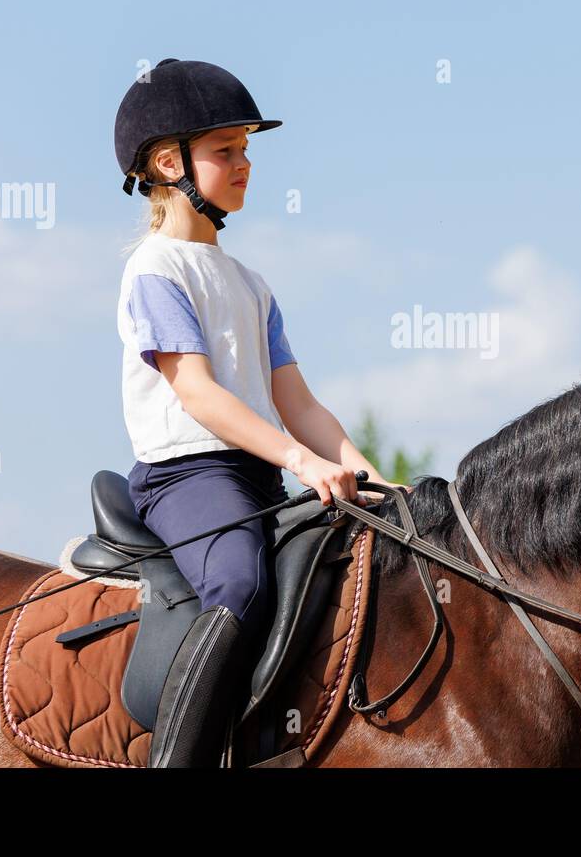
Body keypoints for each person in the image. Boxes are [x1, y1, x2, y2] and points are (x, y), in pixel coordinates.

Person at [113, 58, 393, 767]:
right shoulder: (154, 269)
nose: (244, 165)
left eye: (246, 151)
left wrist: (369, 476)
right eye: (225, 151)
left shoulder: (252, 284)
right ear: (170, 163)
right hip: (186, 477)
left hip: (260, 473)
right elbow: (198, 393)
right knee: (239, 583)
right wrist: (302, 462)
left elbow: (296, 400)